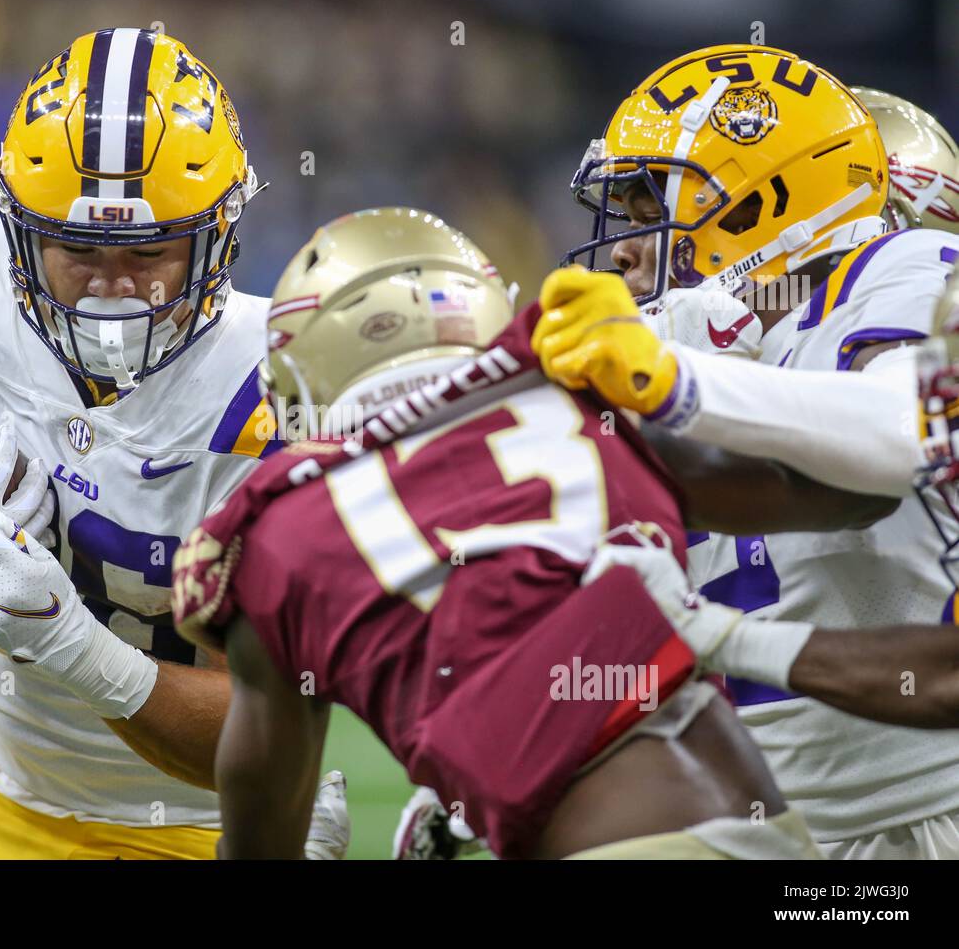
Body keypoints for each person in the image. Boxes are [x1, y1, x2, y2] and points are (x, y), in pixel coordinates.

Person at [159, 206, 895, 859]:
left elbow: (263, 835)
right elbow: (856, 496)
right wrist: (701, 381)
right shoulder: (587, 410)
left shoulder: (277, 538)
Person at [0, 27, 347, 860]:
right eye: (78, 252)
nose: (113, 291)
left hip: (205, 831)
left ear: (220, 239)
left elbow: (270, 737)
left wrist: (81, 653)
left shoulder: (275, 392)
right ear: (19, 240)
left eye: (150, 251)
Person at [536, 44, 959, 858]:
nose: (623, 249)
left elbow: (894, 435)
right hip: (780, 822)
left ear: (754, 206)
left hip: (920, 818)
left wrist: (675, 382)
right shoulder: (732, 351)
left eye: (647, 210)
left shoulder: (906, 267)